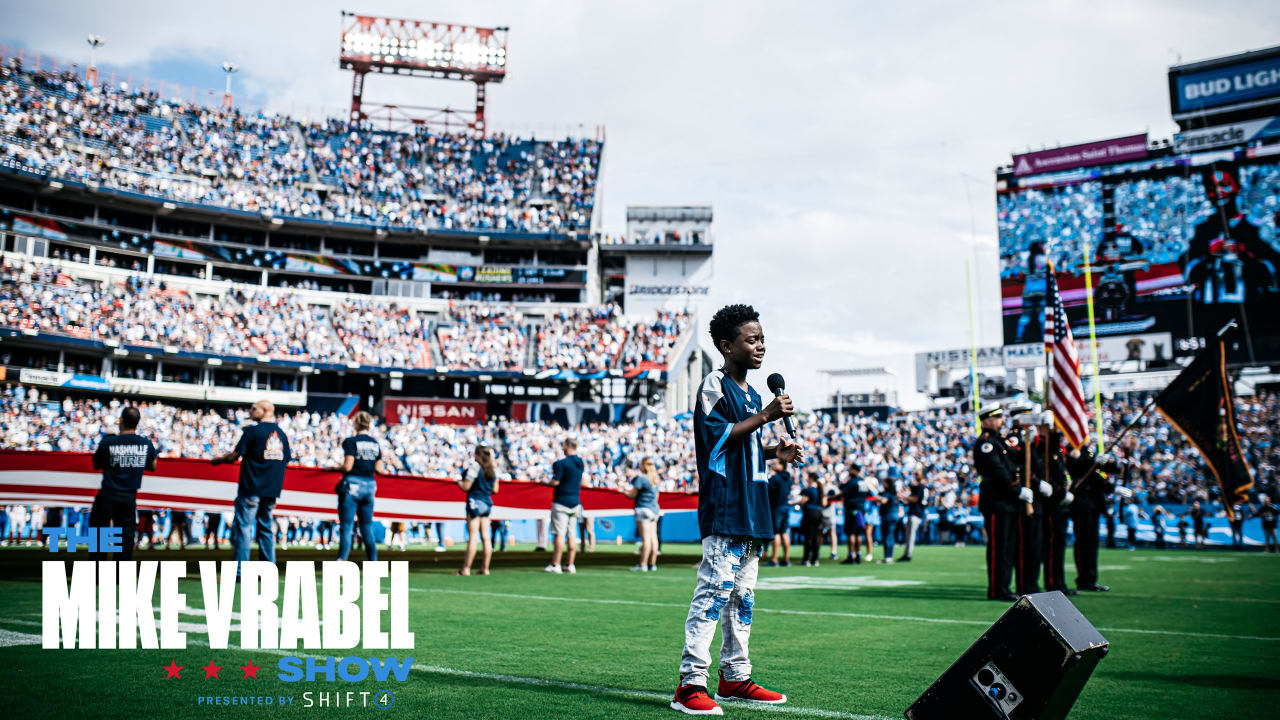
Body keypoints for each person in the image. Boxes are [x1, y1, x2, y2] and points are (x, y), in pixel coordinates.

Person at [672, 304, 801, 715]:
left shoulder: (753, 394)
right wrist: (766, 416)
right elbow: (715, 441)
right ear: (728, 346)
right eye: (751, 339)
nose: (760, 345)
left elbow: (742, 446)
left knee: (742, 598)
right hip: (726, 507)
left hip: (752, 507)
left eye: (762, 338)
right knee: (713, 592)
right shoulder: (714, 385)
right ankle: (690, 684)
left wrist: (773, 451)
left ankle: (735, 677)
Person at [211, 399, 291, 579]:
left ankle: (239, 572)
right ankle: (268, 571)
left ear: (265, 410)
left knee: (244, 530)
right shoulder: (282, 435)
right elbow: (286, 460)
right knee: (266, 529)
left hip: (251, 488)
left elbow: (234, 456)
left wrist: (218, 460)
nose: (250, 411)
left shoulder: (252, 432)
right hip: (271, 490)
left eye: (254, 408)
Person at [973, 406, 1031, 602]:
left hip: (1007, 502)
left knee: (1008, 548)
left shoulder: (999, 441)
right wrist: (1017, 489)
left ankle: (1004, 587)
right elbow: (998, 470)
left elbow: (1014, 464)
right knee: (999, 548)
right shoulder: (987, 443)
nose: (1000, 420)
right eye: (996, 417)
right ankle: (997, 589)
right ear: (986, 421)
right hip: (996, 501)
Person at [88, 406, 157, 560]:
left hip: (108, 494)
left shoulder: (108, 442)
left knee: (99, 534)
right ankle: (122, 574)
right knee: (125, 536)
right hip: (129, 496)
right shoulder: (145, 444)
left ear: (121, 421)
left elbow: (96, 464)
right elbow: (153, 466)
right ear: (137, 423)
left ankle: (96, 573)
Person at [336, 411, 387, 562]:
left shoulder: (351, 441)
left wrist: (332, 468)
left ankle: (342, 562)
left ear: (356, 424)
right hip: (370, 485)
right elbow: (379, 469)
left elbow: (347, 466)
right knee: (367, 527)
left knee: (347, 526)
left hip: (353, 484)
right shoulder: (375, 443)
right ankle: (373, 563)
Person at [1066, 446, 1114, 592]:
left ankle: (1091, 579)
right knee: (1083, 544)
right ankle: (1083, 579)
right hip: (1081, 505)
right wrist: (1093, 461)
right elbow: (1075, 467)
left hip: (1094, 506)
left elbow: (1098, 475)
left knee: (1092, 546)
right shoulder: (1072, 449)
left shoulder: (1089, 451)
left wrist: (1110, 485)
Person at [1036, 428, 1074, 595]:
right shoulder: (1046, 452)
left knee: (1059, 546)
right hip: (1051, 504)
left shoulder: (1056, 452)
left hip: (1059, 505)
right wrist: (1061, 492)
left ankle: (1059, 581)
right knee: (1052, 546)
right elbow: (1048, 477)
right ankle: (1052, 582)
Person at [457, 445, 502, 576]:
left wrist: (458, 482)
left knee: (472, 537)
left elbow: (466, 486)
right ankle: (485, 568)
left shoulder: (475, 467)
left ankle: (466, 568)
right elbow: (495, 490)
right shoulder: (493, 469)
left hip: (475, 503)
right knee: (486, 538)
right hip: (487, 504)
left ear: (477, 455)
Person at [544, 438, 585, 574]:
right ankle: (570, 564)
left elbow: (555, 481)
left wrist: (544, 482)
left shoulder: (561, 463)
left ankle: (556, 564)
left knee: (559, 534)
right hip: (575, 502)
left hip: (561, 502)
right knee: (572, 534)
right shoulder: (580, 463)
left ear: (567, 446)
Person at [624, 457, 662, 572]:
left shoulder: (641, 478)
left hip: (643, 510)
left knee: (646, 540)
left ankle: (643, 564)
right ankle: (652, 564)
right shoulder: (656, 479)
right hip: (654, 510)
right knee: (653, 538)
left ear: (643, 466)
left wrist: (623, 491)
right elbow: (657, 497)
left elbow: (632, 495)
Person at [838, 463, 874, 564]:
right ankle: (858, 555)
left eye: (850, 469)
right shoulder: (863, 482)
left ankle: (851, 556)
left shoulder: (851, 482)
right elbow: (869, 494)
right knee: (858, 533)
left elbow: (842, 491)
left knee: (851, 533)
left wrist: (844, 482)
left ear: (854, 470)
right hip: (861, 510)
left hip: (851, 509)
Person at [763, 459, 793, 567]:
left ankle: (774, 559)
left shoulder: (775, 479)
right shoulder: (789, 479)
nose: (774, 465)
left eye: (776, 463)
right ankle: (786, 559)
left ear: (782, 465)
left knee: (776, 533)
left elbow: (767, 492)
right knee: (784, 532)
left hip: (776, 508)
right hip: (785, 507)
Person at [796, 470, 827, 567]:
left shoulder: (809, 490)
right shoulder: (820, 490)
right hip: (818, 514)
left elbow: (803, 501)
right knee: (815, 537)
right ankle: (815, 559)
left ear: (810, 479)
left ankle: (806, 559)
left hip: (810, 513)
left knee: (808, 537)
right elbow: (824, 503)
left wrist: (795, 502)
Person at [899, 469, 929, 562]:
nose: (915, 476)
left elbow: (915, 499)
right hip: (916, 512)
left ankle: (908, 555)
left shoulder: (920, 487)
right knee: (908, 535)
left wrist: (904, 496)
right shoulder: (922, 487)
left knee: (910, 535)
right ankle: (906, 553)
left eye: (917, 474)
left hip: (916, 513)